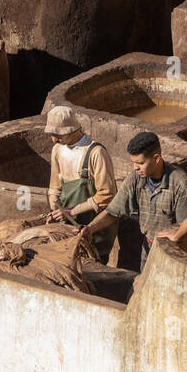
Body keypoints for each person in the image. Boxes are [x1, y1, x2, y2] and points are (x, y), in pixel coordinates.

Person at [79, 130, 187, 269]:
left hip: (173, 253)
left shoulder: (180, 183)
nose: (135, 167)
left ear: (156, 158)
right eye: (133, 162)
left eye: (140, 163)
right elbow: (112, 212)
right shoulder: (136, 178)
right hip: (147, 246)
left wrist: (173, 242)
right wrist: (90, 228)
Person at [43, 106, 118, 262]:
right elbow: (54, 187)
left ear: (72, 130)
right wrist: (54, 210)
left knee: (92, 262)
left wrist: (71, 211)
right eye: (52, 134)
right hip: (69, 222)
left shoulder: (95, 153)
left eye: (58, 135)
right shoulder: (57, 150)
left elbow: (107, 194)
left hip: (93, 224)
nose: (54, 139)